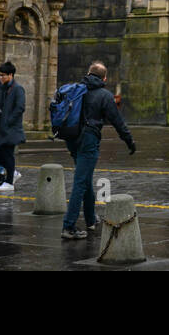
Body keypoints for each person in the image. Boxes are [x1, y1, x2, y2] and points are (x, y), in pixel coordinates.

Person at [61, 61, 135, 240]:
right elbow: (117, 121)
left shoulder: (76, 89)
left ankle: (90, 219)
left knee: (85, 178)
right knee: (81, 181)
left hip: (72, 139)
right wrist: (129, 141)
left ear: (88, 73)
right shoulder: (104, 95)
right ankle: (68, 226)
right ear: (105, 78)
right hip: (89, 140)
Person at [0, 60, 26, 192]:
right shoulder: (2, 88)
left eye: (3, 75)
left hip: (11, 128)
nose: (1, 78)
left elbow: (20, 107)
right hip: (1, 127)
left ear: (11, 75)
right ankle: (13, 173)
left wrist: (9, 121)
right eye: (0, 75)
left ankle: (9, 182)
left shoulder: (18, 89)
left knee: (8, 153)